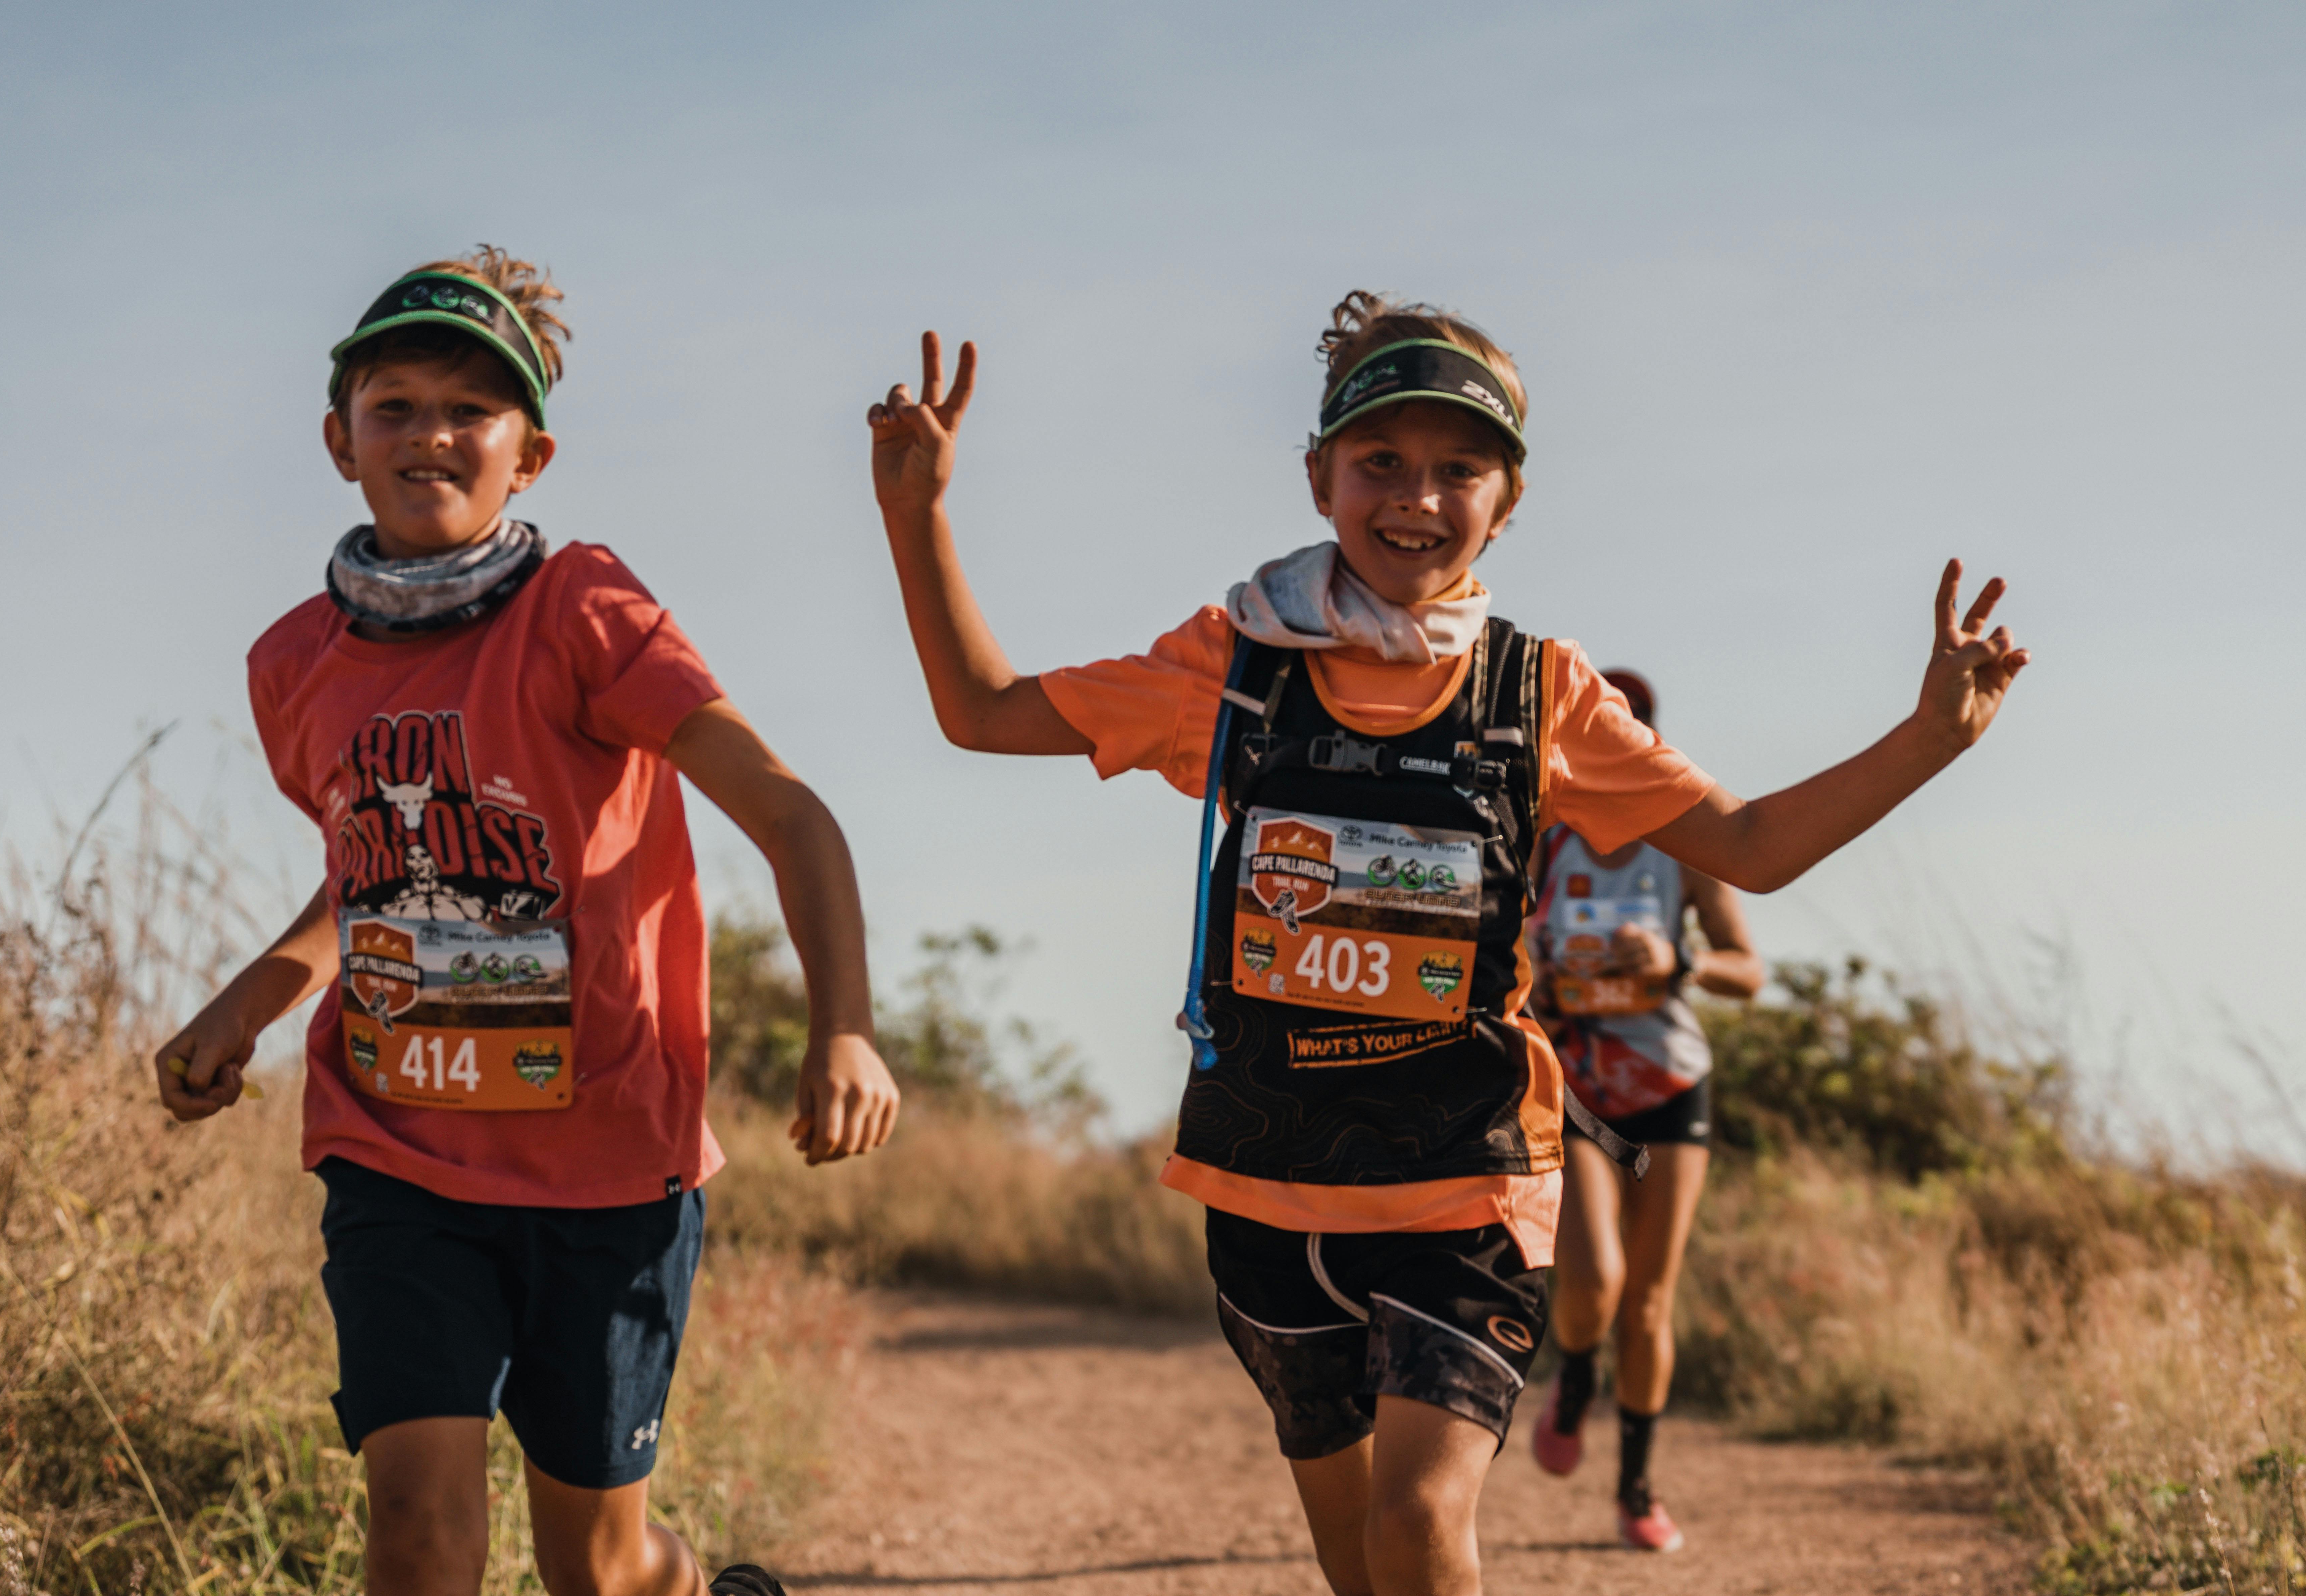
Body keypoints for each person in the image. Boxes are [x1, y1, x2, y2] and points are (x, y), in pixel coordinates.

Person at [865, 290, 2029, 1596]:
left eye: (1457, 469)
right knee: (1364, 1565)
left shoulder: (1543, 695)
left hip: (1466, 1179)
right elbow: (978, 710)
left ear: (1507, 499)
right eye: (1381, 462)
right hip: (1264, 1181)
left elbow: (1750, 844)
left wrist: (1928, 737)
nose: (1415, 497)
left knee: (1419, 1525)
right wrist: (917, 513)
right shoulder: (1234, 666)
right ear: (1319, 475)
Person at [155, 247, 898, 1596]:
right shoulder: (292, 665)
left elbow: (791, 813)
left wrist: (843, 1025)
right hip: (396, 1147)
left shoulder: (586, 613)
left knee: (598, 1570)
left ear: (529, 454)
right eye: (395, 405)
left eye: (469, 411)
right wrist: (249, 1001)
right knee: (420, 1529)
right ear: (339, 440)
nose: (429, 435)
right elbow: (376, 874)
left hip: (608, 1165)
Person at [1522, 670, 1765, 1552]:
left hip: (1669, 1085)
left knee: (1652, 1304)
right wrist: (1533, 980)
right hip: (1578, 1087)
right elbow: (1494, 955)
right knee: (1593, 1279)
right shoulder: (1545, 844)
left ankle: (1636, 1490)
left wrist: (1679, 963)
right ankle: (1577, 1373)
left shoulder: (1687, 851)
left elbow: (1749, 969)